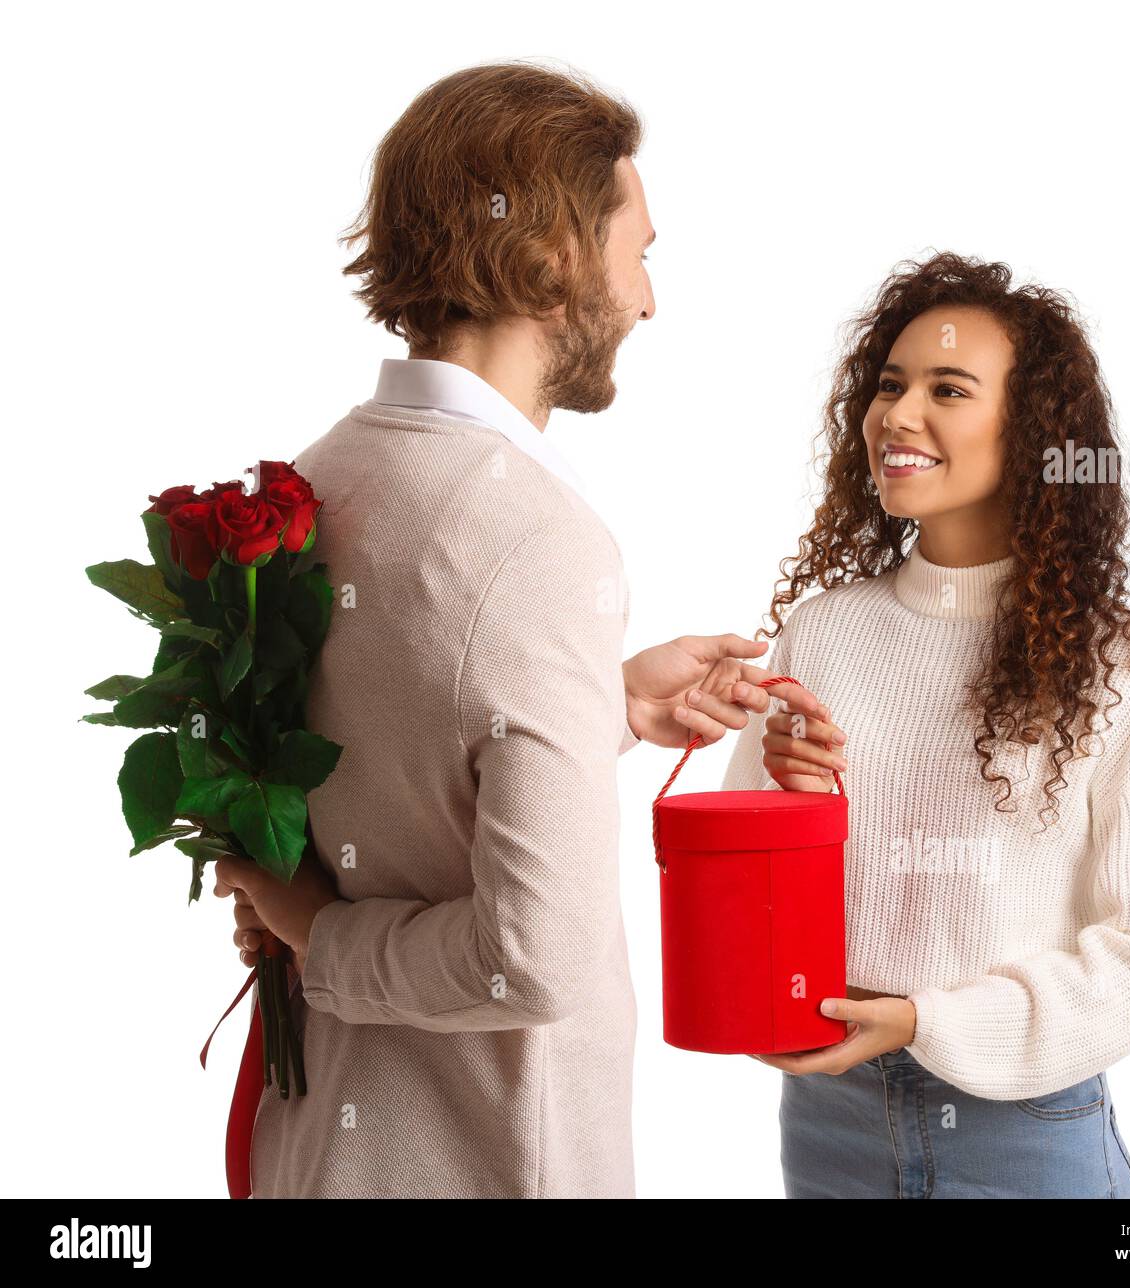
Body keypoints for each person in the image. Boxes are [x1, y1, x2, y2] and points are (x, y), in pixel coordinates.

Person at [210, 61, 832, 1199]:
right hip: (486, 1157)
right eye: (638, 253)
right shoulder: (534, 540)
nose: (649, 301)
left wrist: (609, 701)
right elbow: (532, 959)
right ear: (550, 260)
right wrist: (317, 937)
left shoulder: (317, 480)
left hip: (322, 1151)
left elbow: (410, 752)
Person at [722, 251, 1130, 1199]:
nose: (897, 415)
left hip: (1022, 1127)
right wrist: (794, 807)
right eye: (890, 385)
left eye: (948, 388)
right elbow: (745, 896)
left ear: (1030, 433)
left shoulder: (1121, 667)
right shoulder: (822, 635)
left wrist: (926, 1021)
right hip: (831, 1116)